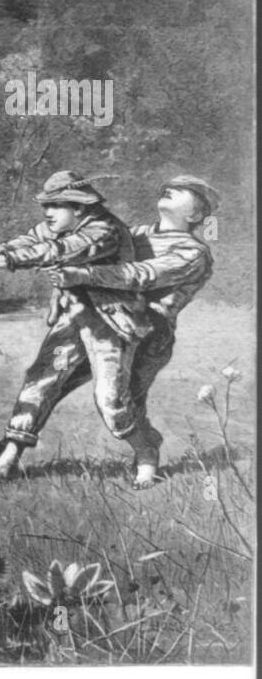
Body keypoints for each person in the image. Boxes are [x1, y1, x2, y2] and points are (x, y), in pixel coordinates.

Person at [0, 171, 151, 481]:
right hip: (73, 319)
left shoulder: (104, 230)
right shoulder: (60, 226)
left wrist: (0, 263)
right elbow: (27, 242)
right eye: (46, 204)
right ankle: (8, 459)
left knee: (110, 403)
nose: (48, 212)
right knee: (39, 382)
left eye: (57, 204)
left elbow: (57, 251)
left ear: (80, 207)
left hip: (111, 326)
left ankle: (146, 454)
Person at [45, 176, 218, 488]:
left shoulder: (193, 253)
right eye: (168, 185)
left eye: (183, 191)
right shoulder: (134, 234)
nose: (169, 187)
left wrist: (81, 273)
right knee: (52, 383)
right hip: (103, 321)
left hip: (149, 333)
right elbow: (97, 249)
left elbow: (142, 275)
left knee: (117, 401)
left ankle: (146, 453)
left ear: (195, 214)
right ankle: (146, 447)